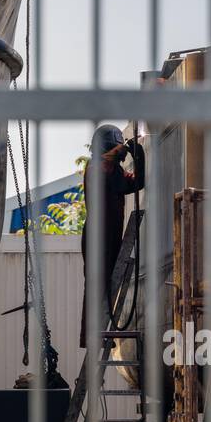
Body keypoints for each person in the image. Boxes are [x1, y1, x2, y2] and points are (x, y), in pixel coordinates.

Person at [79, 125, 145, 348]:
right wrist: (135, 156)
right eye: (118, 146)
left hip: (104, 234)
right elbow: (129, 181)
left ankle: (97, 335)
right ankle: (94, 335)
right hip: (101, 237)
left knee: (102, 285)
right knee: (98, 285)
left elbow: (131, 183)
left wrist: (136, 157)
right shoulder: (101, 168)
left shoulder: (102, 167)